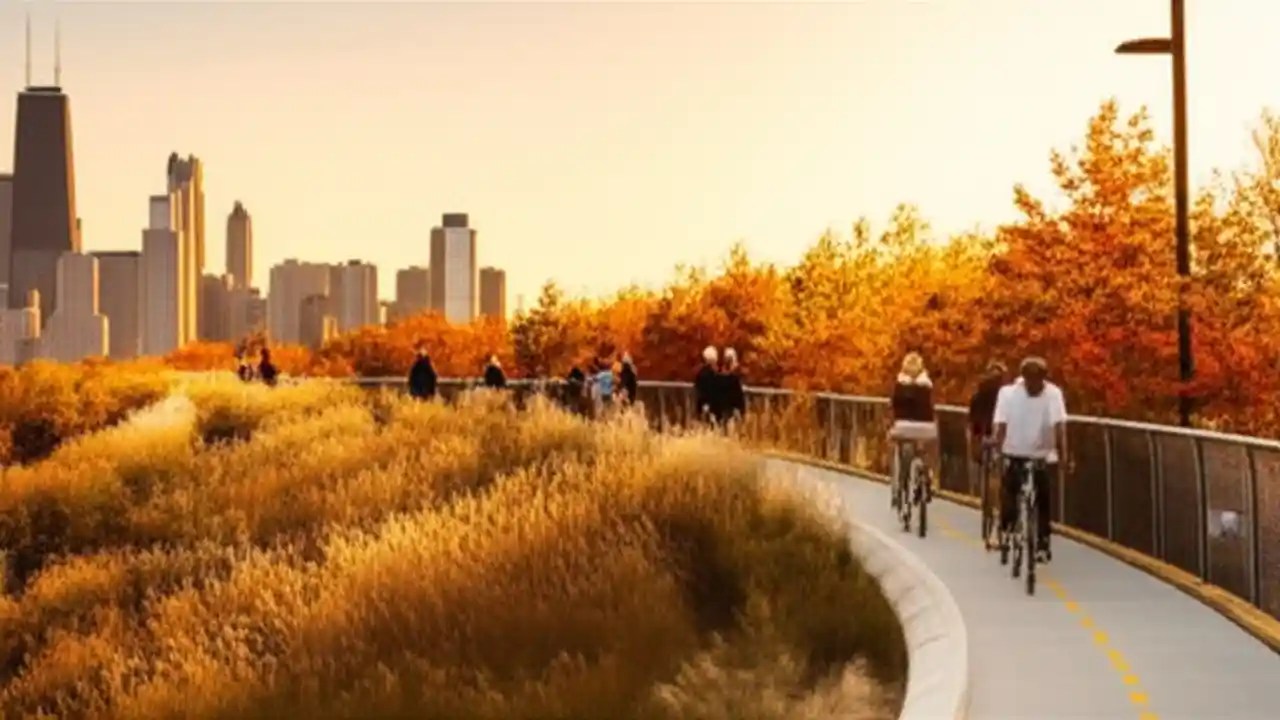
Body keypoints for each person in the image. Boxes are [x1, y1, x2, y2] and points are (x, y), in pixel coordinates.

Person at [992, 357, 1068, 562]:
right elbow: (1001, 426)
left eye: (1038, 380)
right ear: (1023, 378)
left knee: (1038, 497)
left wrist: (1064, 455)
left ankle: (1037, 541)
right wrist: (998, 451)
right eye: (1031, 380)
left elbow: (1060, 427)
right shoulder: (1011, 393)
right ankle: (1009, 531)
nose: (1034, 385)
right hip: (1018, 451)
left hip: (1038, 454)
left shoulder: (1051, 394)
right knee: (1014, 492)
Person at [888, 352, 938, 497]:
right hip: (926, 427)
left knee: (896, 443)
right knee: (930, 446)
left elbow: (893, 407)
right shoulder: (927, 386)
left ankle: (901, 481)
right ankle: (929, 473)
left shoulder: (899, 385)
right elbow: (932, 407)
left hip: (902, 426)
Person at [718, 348, 746, 431]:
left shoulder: (720, 375)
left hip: (723, 407)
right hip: (732, 409)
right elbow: (738, 395)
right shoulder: (734, 377)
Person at [694, 346, 721, 427]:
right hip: (712, 406)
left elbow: (697, 388)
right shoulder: (713, 374)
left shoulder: (700, 372)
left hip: (701, 405)